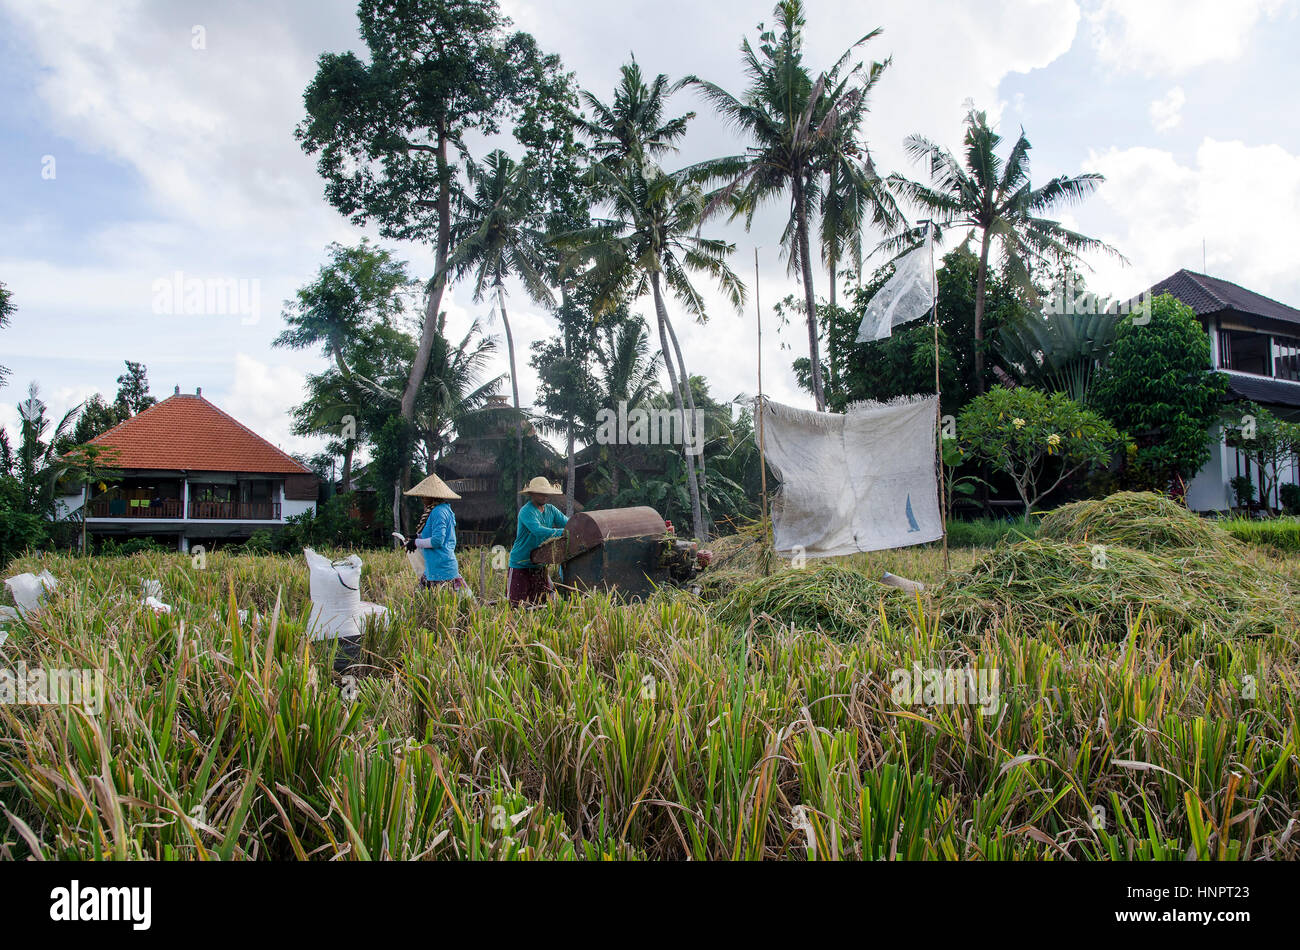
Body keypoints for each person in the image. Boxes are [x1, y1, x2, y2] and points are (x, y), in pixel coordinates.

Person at [403, 473, 471, 596]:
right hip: (435, 567)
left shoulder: (438, 512)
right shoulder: (441, 510)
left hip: (441, 569)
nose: (422, 499)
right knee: (422, 603)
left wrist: (416, 543)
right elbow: (435, 535)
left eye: (424, 496)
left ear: (432, 496)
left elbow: (437, 541)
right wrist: (416, 537)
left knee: (436, 607)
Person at [508, 476, 568, 606]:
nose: (544, 495)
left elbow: (568, 523)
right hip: (520, 564)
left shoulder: (551, 509)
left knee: (542, 604)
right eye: (540, 493)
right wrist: (563, 532)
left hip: (539, 564)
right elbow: (538, 531)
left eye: (545, 492)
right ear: (532, 494)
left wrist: (577, 526)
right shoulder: (526, 511)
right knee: (516, 605)